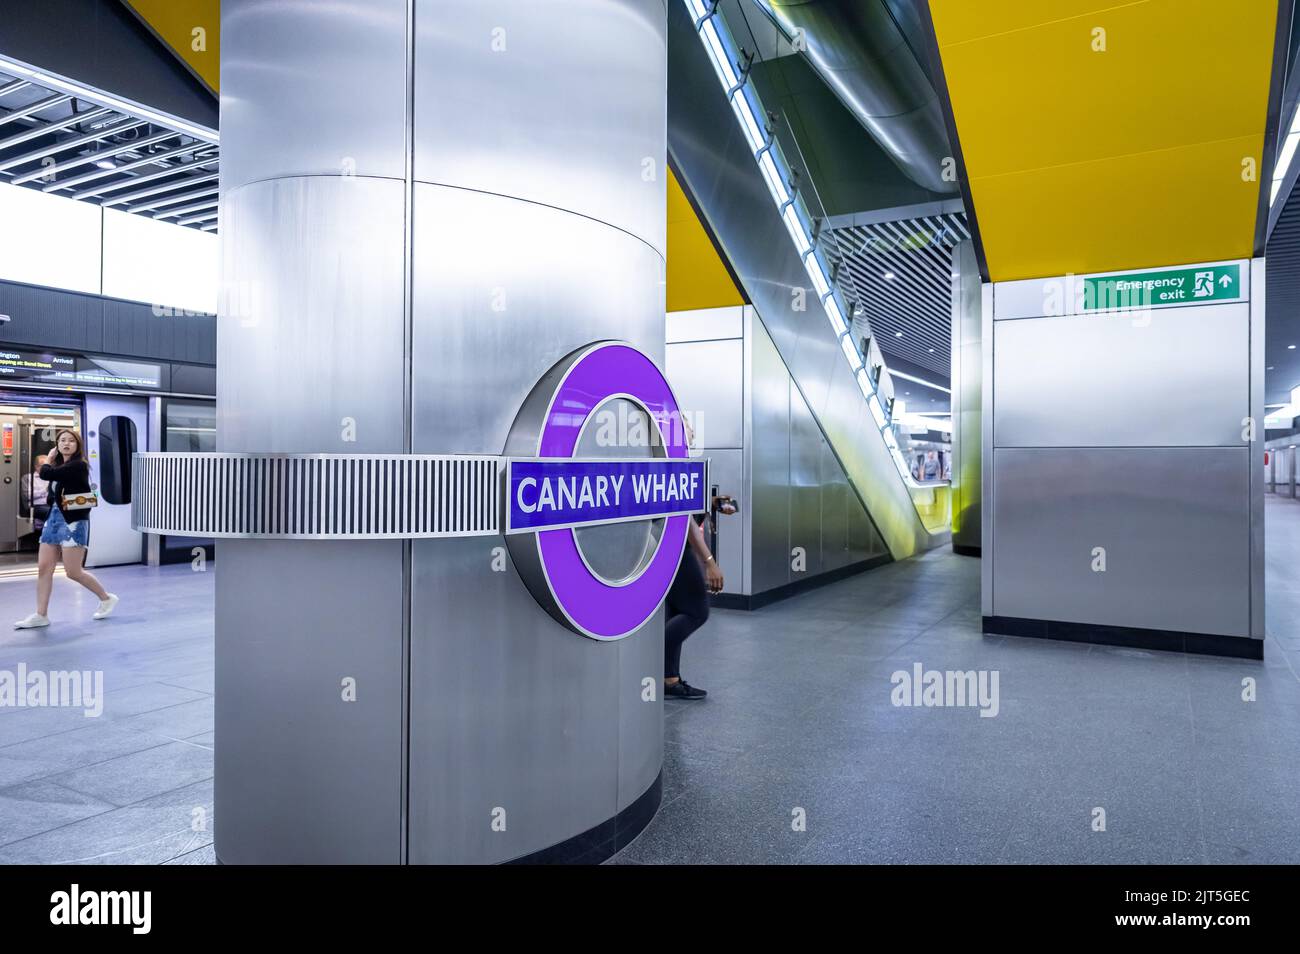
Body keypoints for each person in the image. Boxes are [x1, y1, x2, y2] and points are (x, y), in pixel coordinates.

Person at [13, 430, 118, 629]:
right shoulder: (60, 467)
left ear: (78, 445)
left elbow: (45, 473)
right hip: (53, 520)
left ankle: (106, 598)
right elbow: (52, 494)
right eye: (62, 440)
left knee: (73, 572)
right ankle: (41, 615)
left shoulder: (79, 465)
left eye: (71, 441)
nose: (66, 443)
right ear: (57, 444)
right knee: (44, 568)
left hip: (73, 522)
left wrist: (49, 458)